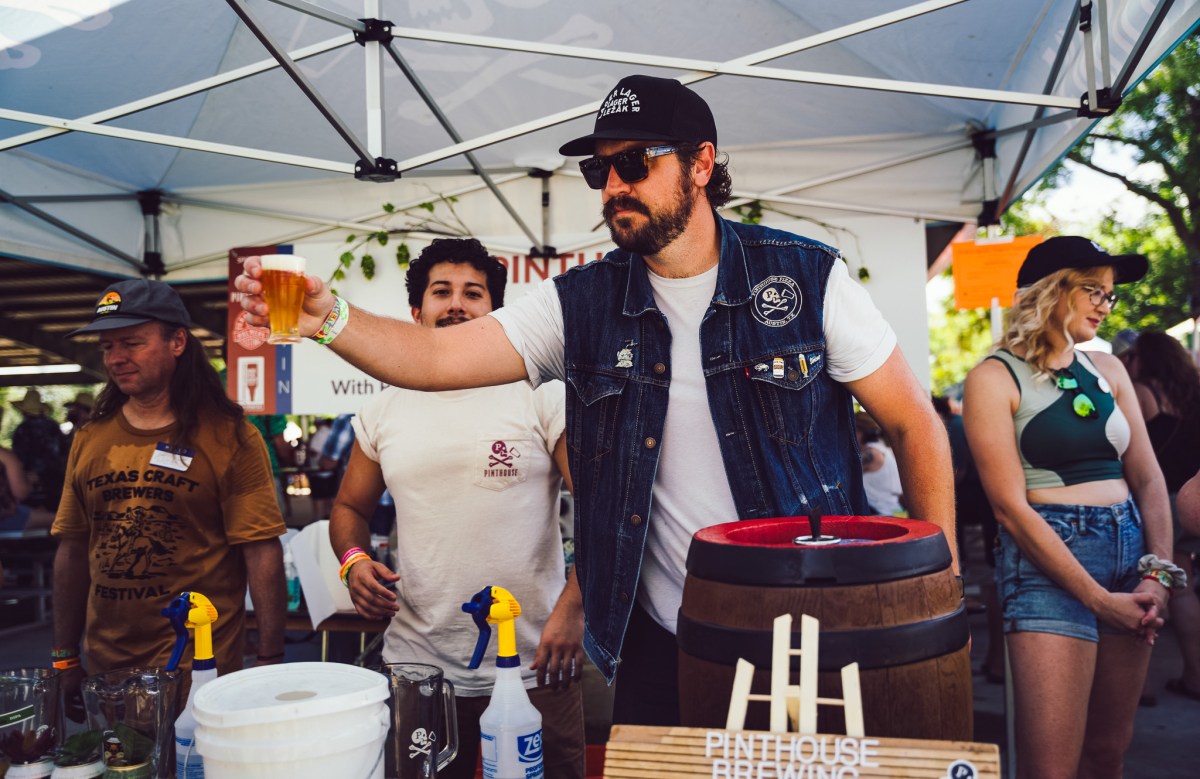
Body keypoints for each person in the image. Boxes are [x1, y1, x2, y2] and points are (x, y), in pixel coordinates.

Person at [235, 74, 955, 725]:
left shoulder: (804, 279)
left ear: (701, 164)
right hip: (661, 641)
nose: (612, 185)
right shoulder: (580, 303)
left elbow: (912, 423)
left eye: (635, 162)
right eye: (598, 169)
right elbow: (431, 356)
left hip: (809, 629)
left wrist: (935, 587)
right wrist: (325, 319)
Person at [329, 238, 584, 779]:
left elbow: (603, 507)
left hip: (539, 660)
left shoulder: (539, 393)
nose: (457, 305)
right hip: (418, 666)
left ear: (496, 314)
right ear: (415, 312)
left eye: (474, 293)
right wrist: (354, 561)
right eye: (441, 292)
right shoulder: (382, 409)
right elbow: (349, 506)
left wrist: (575, 606)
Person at [962, 236, 1179, 778]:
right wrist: (1099, 601)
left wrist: (1158, 574)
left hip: (1129, 555)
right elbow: (1010, 510)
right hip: (1046, 566)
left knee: (1108, 752)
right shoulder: (993, 378)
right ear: (1051, 290)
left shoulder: (1108, 368)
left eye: (1110, 296)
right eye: (1094, 291)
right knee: (1051, 767)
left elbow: (1150, 478)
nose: (1106, 306)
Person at [51, 279, 288, 720]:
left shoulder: (230, 436)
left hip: (196, 667)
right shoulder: (90, 437)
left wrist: (270, 658)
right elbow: (72, 548)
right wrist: (65, 657)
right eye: (107, 347)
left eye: (132, 343)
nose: (115, 358)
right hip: (107, 668)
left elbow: (261, 550)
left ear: (177, 341)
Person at [1123, 330, 1200, 702]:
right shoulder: (1192, 392)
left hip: (1157, 500)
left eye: (1133, 355)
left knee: (1144, 586)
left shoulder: (1140, 391)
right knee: (1181, 588)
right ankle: (1195, 675)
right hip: (1190, 498)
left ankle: (1140, 685)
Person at [11, 388, 67, 512]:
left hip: (32, 483)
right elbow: (64, 452)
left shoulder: (22, 430)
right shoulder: (53, 426)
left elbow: (18, 458)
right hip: (55, 482)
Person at [855, 412, 905, 515]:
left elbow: (845, 472)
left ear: (862, 432)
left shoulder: (871, 453)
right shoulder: (884, 449)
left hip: (880, 513)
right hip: (892, 510)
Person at [0, 406, 32, 533]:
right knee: (60, 521)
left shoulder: (21, 430)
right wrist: (29, 482)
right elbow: (21, 493)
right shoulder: (5, 456)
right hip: (5, 518)